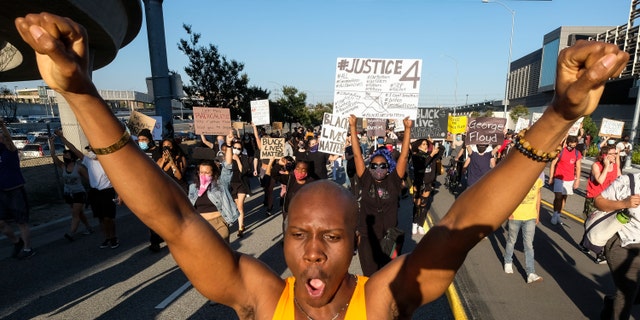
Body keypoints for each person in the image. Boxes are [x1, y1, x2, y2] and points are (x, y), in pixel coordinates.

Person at [15, 13, 628, 318]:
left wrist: (560, 114)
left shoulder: (383, 298)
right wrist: (82, 94)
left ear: (354, 237)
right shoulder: (259, 296)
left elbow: (462, 224)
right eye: (299, 236)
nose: (312, 253)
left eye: (331, 237)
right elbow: (174, 216)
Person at [349, 115, 412, 276]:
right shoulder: (366, 179)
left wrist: (407, 129)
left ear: (388, 167)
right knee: (370, 277)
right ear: (369, 168)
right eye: (374, 165)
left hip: (391, 237)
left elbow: (404, 157)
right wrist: (353, 127)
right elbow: (357, 156)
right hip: (367, 237)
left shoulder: (394, 180)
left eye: (382, 166)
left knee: (388, 277)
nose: (378, 169)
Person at [56, 130, 120, 249]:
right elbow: (73, 148)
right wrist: (62, 137)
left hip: (108, 191)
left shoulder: (108, 162)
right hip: (95, 193)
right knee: (101, 218)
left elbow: (117, 178)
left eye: (93, 149)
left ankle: (114, 237)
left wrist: (119, 194)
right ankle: (106, 238)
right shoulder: (88, 161)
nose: (91, 151)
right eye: (90, 149)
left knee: (108, 217)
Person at [595, 173, 640, 319]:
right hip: (622, 243)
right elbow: (598, 201)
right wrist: (624, 203)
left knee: (635, 294)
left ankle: (611, 305)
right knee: (627, 290)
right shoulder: (629, 181)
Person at [187, 131, 239, 243]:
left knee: (221, 256)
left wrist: (229, 144)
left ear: (213, 173)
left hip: (219, 224)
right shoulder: (193, 187)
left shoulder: (221, 184)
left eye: (207, 172)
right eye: (201, 172)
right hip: (200, 225)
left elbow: (228, 166)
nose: (204, 175)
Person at [0, 118, 35, 259]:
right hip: (1, 192)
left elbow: (8, 138)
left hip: (15, 190)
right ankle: (17, 242)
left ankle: (27, 249)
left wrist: (2, 126)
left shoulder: (10, 151)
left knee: (21, 222)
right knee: (1, 223)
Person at [580, 145, 621, 263]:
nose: (615, 156)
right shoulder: (596, 166)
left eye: (616, 154)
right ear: (605, 155)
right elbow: (600, 180)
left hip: (607, 200)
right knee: (591, 222)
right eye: (613, 154)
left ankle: (593, 249)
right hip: (593, 198)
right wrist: (606, 166)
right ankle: (597, 252)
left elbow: (620, 180)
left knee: (603, 226)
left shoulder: (616, 166)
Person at [503, 172, 545, 284]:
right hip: (516, 215)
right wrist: (509, 211)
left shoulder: (539, 178)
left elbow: (538, 195)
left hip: (530, 216)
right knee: (512, 240)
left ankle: (530, 272)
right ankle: (508, 261)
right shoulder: (518, 177)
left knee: (529, 245)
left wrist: (537, 213)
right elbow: (510, 194)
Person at [49, 140, 93, 241]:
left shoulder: (79, 168)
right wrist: (51, 142)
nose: (65, 156)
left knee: (75, 214)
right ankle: (89, 228)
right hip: (68, 194)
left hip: (79, 193)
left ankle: (71, 233)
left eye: (67, 155)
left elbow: (90, 180)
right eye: (64, 155)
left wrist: (92, 192)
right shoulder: (63, 166)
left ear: (73, 157)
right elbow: (53, 155)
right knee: (79, 213)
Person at [548, 135, 582, 225]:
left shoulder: (577, 153)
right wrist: (551, 177)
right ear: (567, 144)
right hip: (559, 177)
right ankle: (555, 214)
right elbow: (553, 164)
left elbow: (578, 167)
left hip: (569, 179)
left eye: (574, 146)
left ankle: (558, 214)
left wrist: (577, 180)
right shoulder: (561, 151)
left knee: (564, 198)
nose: (571, 148)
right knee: (558, 196)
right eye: (570, 146)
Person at [410, 138, 441, 235]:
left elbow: (442, 150)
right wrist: (431, 155)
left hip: (427, 185)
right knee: (417, 204)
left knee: (423, 205)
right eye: (423, 144)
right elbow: (421, 165)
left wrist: (432, 143)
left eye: (426, 144)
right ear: (418, 146)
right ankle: (414, 223)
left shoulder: (431, 155)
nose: (426, 146)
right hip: (418, 184)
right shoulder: (415, 156)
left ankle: (420, 225)